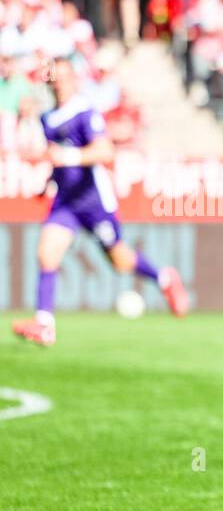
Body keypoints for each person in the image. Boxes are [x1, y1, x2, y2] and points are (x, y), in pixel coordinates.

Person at [11, 58, 189, 347]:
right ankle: (44, 324)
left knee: (119, 261)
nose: (59, 83)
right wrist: (49, 183)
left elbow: (104, 152)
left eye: (64, 77)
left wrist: (69, 157)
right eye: (54, 78)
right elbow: (57, 160)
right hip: (66, 202)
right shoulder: (47, 119)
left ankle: (165, 278)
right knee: (46, 254)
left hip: (93, 200)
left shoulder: (84, 112)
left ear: (73, 80)